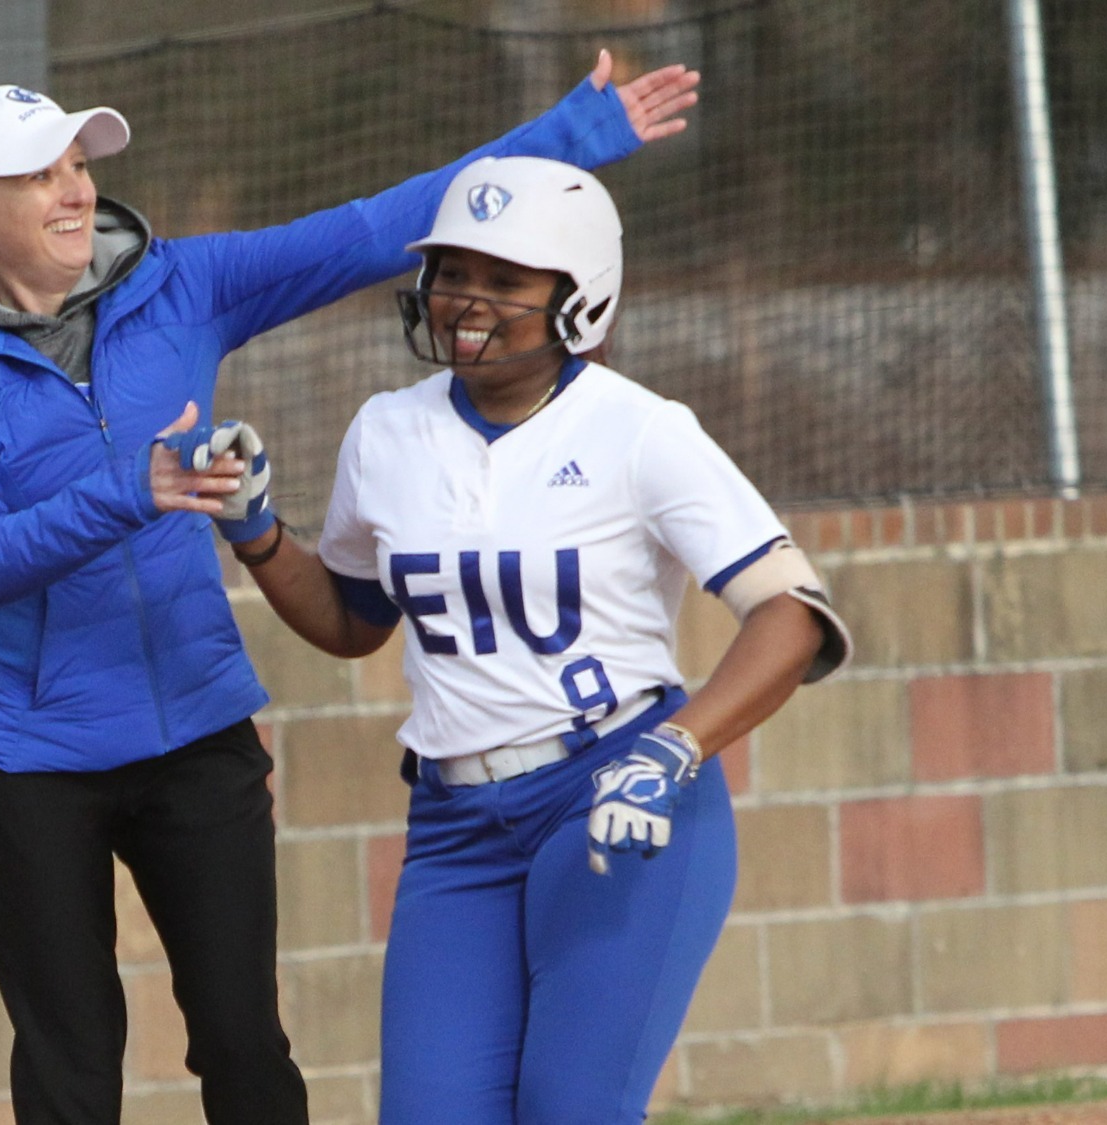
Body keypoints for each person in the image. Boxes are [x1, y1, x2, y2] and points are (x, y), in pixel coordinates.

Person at [0, 57, 702, 1125]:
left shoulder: (178, 285)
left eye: (77, 165)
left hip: (199, 735)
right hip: (32, 764)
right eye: (41, 178)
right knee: (70, 1069)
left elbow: (369, 228)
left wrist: (574, 132)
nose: (74, 190)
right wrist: (133, 489)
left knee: (245, 1048)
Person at [229, 155, 853, 1124]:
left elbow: (791, 615)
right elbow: (355, 621)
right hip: (451, 825)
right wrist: (256, 533)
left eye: (505, 281)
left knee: (569, 1108)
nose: (464, 302)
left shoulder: (640, 429)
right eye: (450, 273)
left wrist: (674, 745)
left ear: (582, 300)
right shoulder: (385, 430)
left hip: (614, 789)